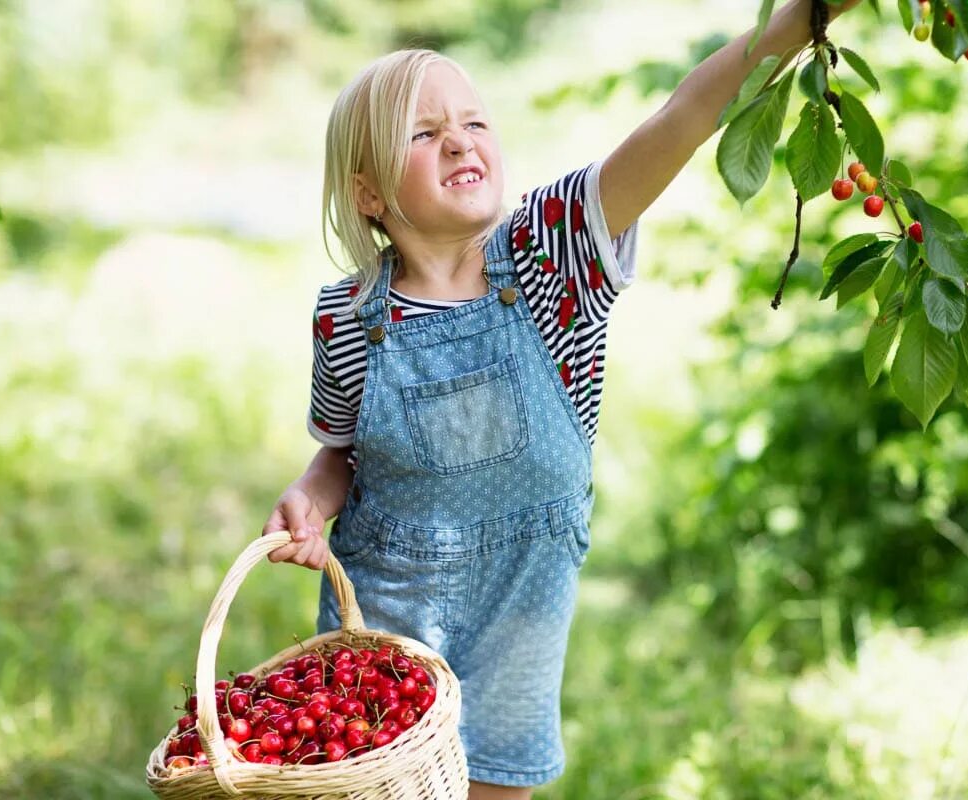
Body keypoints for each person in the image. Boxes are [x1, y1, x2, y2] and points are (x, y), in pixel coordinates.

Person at [260, 0, 860, 796]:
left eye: (473, 122)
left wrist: (795, 21)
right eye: (422, 132)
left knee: (499, 785)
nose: (459, 140)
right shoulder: (346, 317)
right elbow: (342, 451)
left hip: (522, 615)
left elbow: (680, 118)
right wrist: (309, 495)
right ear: (369, 194)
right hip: (383, 614)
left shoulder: (551, 254)